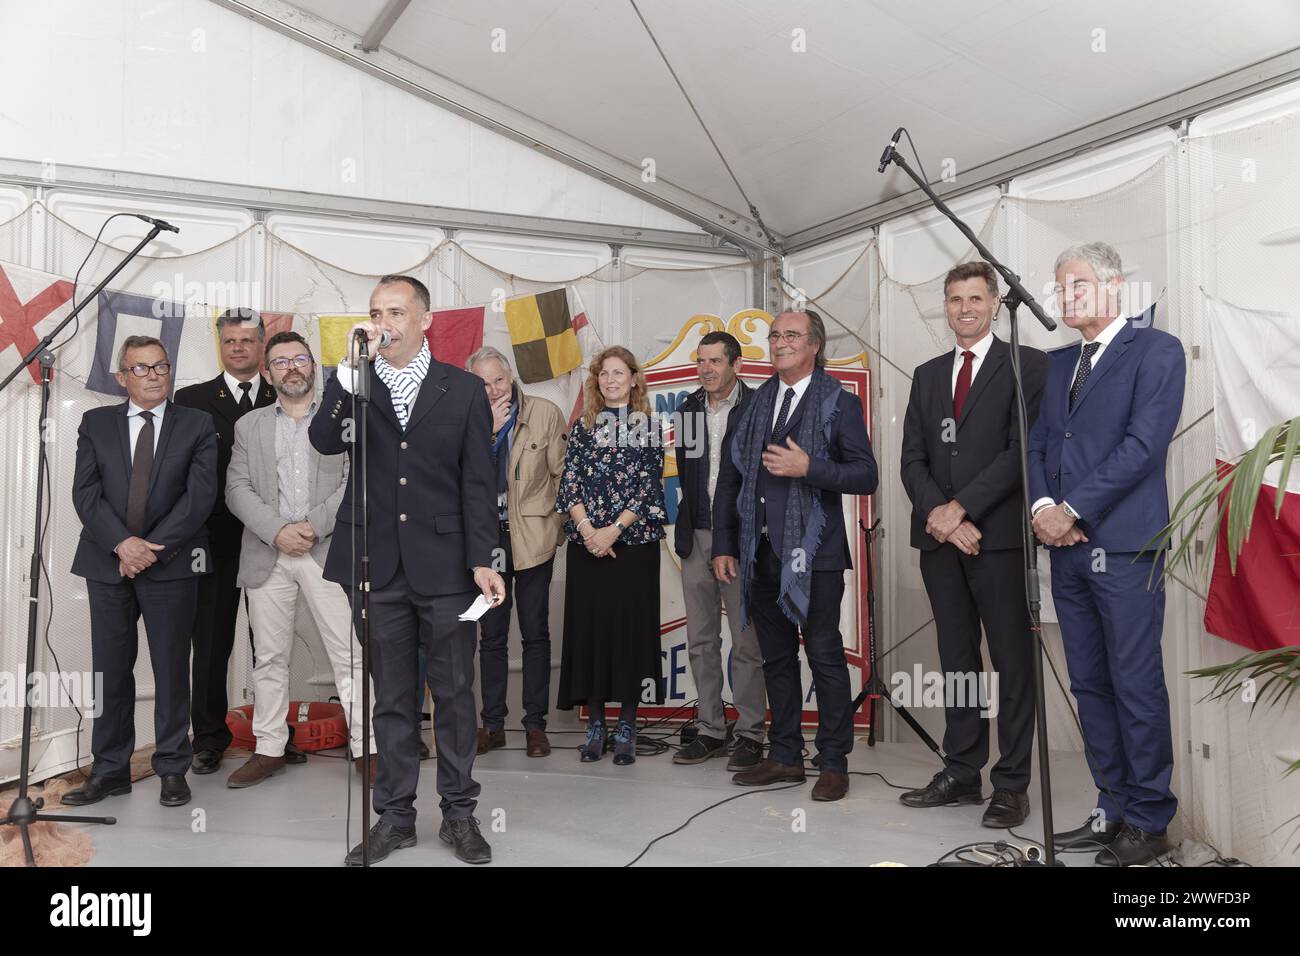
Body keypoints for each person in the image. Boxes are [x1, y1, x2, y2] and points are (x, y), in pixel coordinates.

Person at [309, 274, 505, 866]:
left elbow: (478, 481)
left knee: (453, 694)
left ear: (425, 321)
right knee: (390, 699)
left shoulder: (465, 390)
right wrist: (345, 376)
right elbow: (323, 439)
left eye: (395, 311)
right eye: (375, 311)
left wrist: (482, 559)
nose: (383, 322)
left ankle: (459, 815)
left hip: (447, 567)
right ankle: (393, 818)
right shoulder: (353, 383)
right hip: (375, 564)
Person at [1028, 242, 1185, 866]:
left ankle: (1149, 820)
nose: (1066, 297)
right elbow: (1041, 444)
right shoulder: (1058, 362)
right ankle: (1111, 806)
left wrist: (1074, 510)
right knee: (1090, 683)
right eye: (1060, 288)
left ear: (1115, 285)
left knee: (1135, 682)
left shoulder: (1156, 351)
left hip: (1123, 549)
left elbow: (1142, 446)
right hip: (1065, 551)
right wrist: (1043, 509)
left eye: (1078, 285)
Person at [898, 261, 1048, 827]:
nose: (965, 308)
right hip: (940, 541)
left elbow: (1019, 452)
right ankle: (962, 769)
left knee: (1010, 662)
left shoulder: (1025, 365)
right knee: (957, 660)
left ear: (993, 304)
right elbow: (912, 456)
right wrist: (939, 513)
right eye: (956, 299)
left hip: (999, 540)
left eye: (976, 298)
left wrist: (962, 509)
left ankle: (1011, 784)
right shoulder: (928, 373)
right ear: (946, 306)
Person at [712, 309, 877, 802]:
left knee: (824, 656)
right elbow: (730, 480)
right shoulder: (753, 404)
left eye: (792, 335)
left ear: (814, 346)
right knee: (776, 657)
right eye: (775, 335)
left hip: (816, 557)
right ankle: (784, 755)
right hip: (758, 553)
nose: (780, 342)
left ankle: (833, 762)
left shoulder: (838, 403)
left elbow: (865, 475)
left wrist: (810, 467)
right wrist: (723, 542)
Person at [63, 336, 216, 808]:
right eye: (142, 368)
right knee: (111, 672)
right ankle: (110, 770)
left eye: (161, 367)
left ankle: (172, 767)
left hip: (170, 565)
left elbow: (199, 497)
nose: (153, 376)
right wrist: (122, 544)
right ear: (122, 377)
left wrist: (152, 549)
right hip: (107, 562)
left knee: (171, 669)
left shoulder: (197, 423)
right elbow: (85, 493)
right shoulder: (95, 423)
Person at [224, 331, 378, 788]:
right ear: (267, 373)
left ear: (314, 366)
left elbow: (357, 479)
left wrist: (311, 526)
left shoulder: (342, 417)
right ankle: (269, 747)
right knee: (269, 659)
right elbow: (236, 489)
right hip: (266, 553)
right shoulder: (248, 426)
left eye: (299, 359)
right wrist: (277, 530)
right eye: (280, 361)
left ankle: (366, 747)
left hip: (326, 548)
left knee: (349, 653)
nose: (291, 367)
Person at [174, 308, 283, 776]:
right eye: (230, 341)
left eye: (247, 340)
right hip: (214, 542)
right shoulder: (192, 399)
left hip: (272, 539)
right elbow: (180, 475)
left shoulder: (287, 394)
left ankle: (272, 740)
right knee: (212, 643)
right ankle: (210, 739)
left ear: (262, 345)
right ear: (221, 346)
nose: (238, 348)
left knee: (271, 646)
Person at [555, 346, 666, 766]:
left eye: (619, 373)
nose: (611, 380)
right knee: (591, 633)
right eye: (604, 374)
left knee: (630, 634)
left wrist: (613, 531)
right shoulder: (583, 427)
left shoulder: (649, 427)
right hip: (588, 547)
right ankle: (596, 725)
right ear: (596, 380)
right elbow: (570, 484)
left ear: (635, 378)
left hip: (633, 548)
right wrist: (587, 531)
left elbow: (647, 488)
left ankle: (627, 725)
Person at [672, 331, 766, 770]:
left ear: (736, 365)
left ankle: (749, 732)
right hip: (697, 540)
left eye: (715, 361)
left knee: (746, 642)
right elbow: (688, 475)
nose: (706, 369)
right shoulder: (688, 409)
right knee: (701, 640)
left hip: (742, 542)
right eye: (701, 361)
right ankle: (711, 728)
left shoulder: (756, 407)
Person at [466, 346, 566, 759]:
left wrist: (555, 531)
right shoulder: (467, 416)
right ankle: (492, 725)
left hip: (534, 538)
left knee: (535, 633)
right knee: (490, 636)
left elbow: (564, 477)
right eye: (483, 383)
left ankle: (535, 727)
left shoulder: (544, 413)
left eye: (498, 380)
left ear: (511, 377)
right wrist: (487, 431)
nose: (492, 390)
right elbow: (462, 477)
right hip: (488, 541)